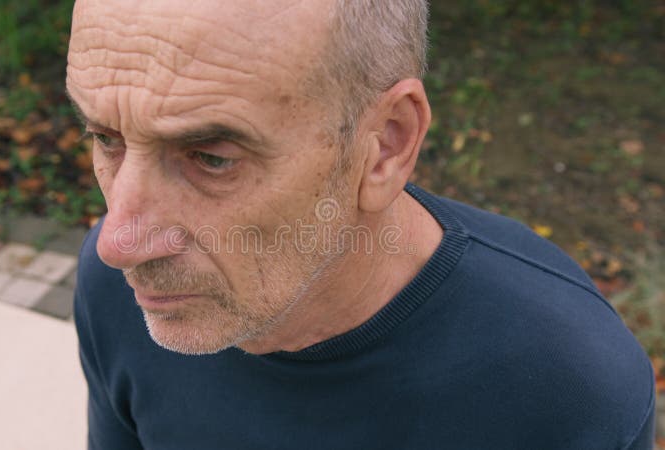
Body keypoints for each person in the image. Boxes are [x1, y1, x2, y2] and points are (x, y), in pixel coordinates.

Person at [65, 0, 655, 448]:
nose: (119, 243)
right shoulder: (120, 293)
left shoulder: (566, 384)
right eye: (106, 138)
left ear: (386, 144)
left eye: (212, 158)